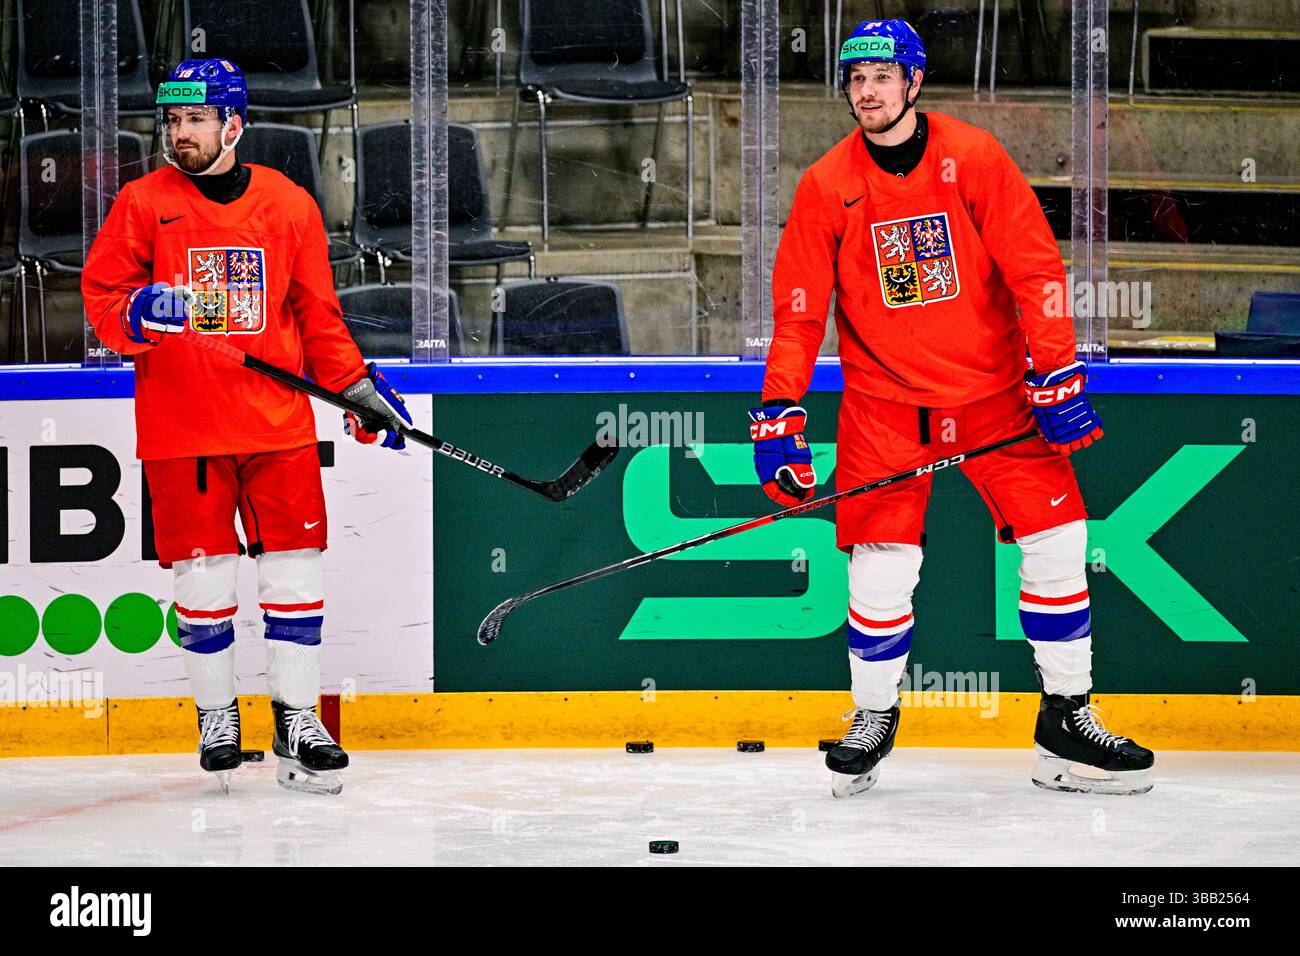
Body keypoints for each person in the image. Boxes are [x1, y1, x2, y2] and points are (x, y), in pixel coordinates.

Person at [748, 20, 1154, 797]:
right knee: (881, 569)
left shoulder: (971, 157)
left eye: (879, 76)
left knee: (1060, 541)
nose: (864, 91)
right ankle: (872, 718)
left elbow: (1034, 269)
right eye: (853, 78)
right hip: (884, 407)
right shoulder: (826, 184)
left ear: (913, 81)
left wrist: (1055, 366)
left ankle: (1067, 716)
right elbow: (800, 314)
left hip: (997, 397)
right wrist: (779, 412)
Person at [82, 58, 412, 795]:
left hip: (278, 427)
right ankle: (216, 715)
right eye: (171, 121)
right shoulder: (143, 203)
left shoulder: (288, 205)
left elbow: (317, 318)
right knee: (202, 579)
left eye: (195, 120)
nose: (180, 134)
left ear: (234, 124)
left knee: (295, 573)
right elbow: (102, 297)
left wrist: (356, 391)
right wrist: (138, 312)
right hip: (184, 428)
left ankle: (297, 718)